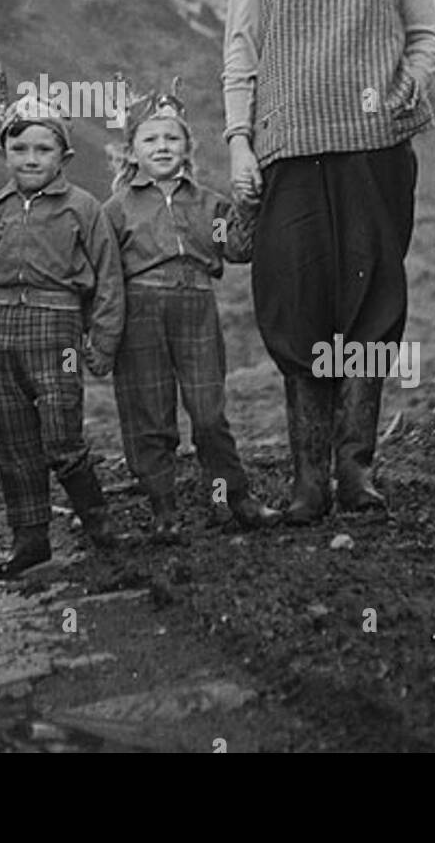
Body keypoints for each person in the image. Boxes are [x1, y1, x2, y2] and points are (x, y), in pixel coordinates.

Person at [222, 0, 435, 523]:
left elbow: (425, 37)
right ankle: (306, 485)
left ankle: (356, 474)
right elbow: (241, 53)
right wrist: (237, 140)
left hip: (375, 155)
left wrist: (405, 87)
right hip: (288, 153)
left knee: (373, 308)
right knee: (297, 310)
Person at [0, 84, 125, 579]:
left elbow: (108, 279)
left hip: (58, 330)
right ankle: (30, 540)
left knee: (60, 433)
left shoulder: (83, 209)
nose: (31, 159)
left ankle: (98, 523)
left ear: (64, 156)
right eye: (20, 148)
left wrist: (103, 341)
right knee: (11, 440)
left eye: (43, 149)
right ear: (3, 152)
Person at [103, 80, 282, 543]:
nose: (162, 147)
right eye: (150, 139)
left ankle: (231, 499)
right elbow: (100, 273)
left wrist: (248, 205)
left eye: (171, 138)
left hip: (196, 306)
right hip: (139, 313)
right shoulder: (114, 211)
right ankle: (164, 511)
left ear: (186, 147)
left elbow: (239, 249)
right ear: (130, 151)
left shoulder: (209, 203)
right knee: (150, 414)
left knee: (208, 414)